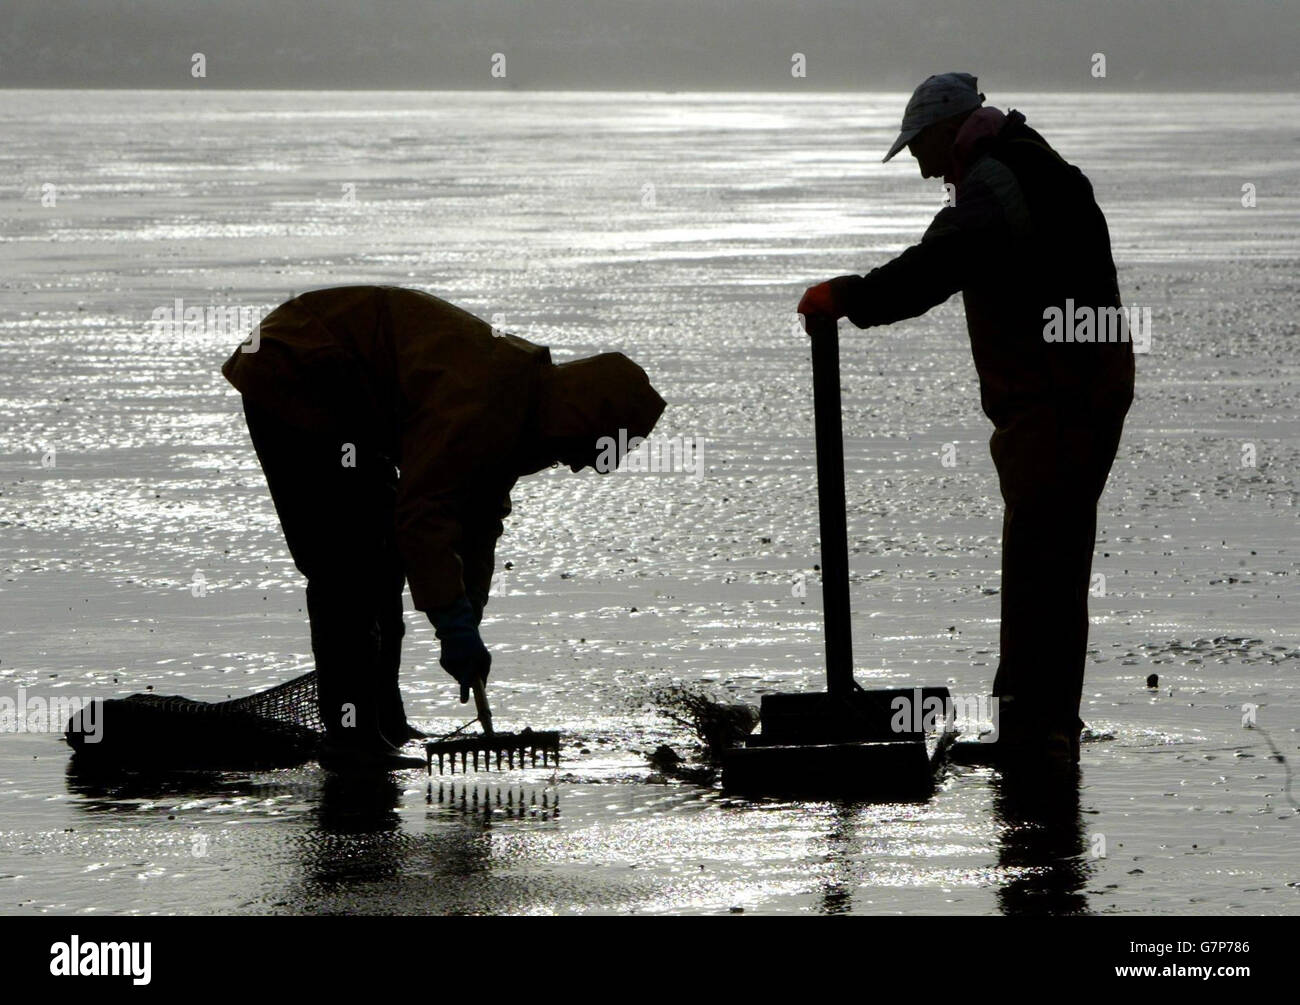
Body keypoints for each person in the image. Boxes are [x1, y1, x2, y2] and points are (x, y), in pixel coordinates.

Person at [798, 73, 1135, 771]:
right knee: (1051, 562)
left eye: (920, 148)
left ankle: (1034, 737)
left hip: (1058, 398)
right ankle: (1040, 730)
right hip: (1078, 390)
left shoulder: (997, 181)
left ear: (947, 130)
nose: (922, 168)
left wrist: (850, 297)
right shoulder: (1024, 163)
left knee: (1042, 564)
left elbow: (936, 266)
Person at [223, 286, 666, 770]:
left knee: (382, 559)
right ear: (582, 419)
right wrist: (451, 625)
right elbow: (423, 516)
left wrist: (467, 612)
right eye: (589, 451)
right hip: (299, 368)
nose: (580, 466)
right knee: (348, 565)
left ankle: (385, 724)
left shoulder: (521, 407)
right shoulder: (482, 401)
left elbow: (478, 519)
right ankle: (352, 740)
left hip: (351, 398)